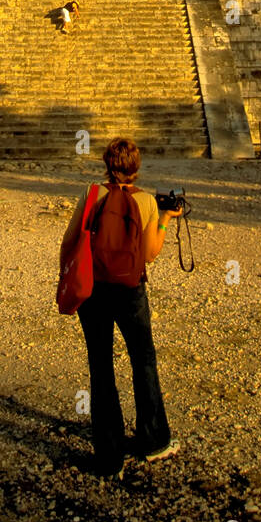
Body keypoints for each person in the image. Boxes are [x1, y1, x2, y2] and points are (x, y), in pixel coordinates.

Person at [59, 137, 182, 478]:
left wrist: (65, 277)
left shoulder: (91, 193)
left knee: (100, 367)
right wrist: (165, 218)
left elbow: (70, 239)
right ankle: (153, 440)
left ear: (106, 164)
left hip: (93, 289)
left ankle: (109, 455)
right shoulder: (145, 201)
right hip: (130, 289)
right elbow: (150, 253)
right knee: (143, 361)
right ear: (136, 167)